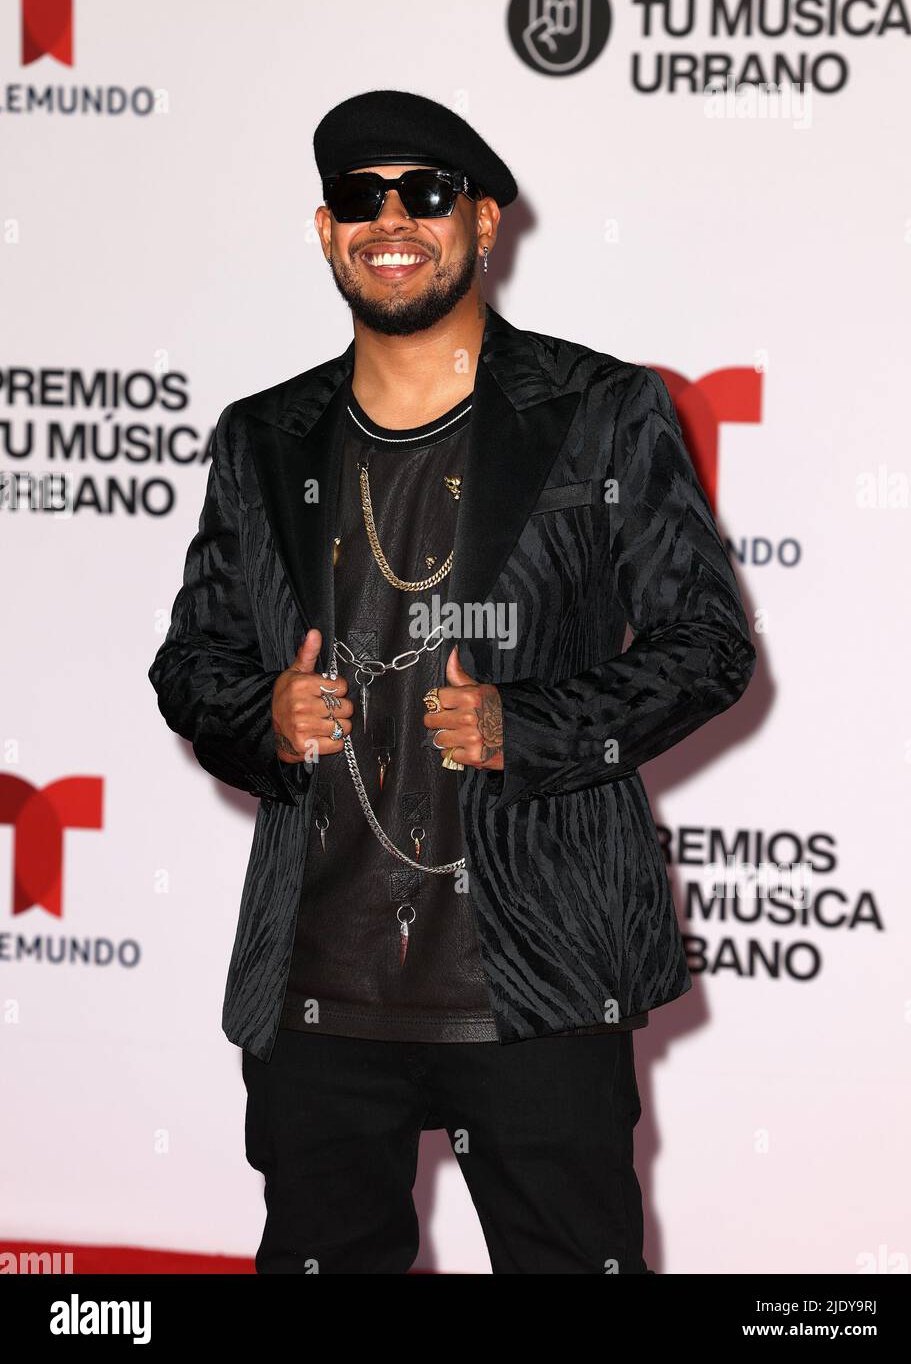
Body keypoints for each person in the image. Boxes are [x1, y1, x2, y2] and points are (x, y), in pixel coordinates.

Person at [148, 88, 756, 1274]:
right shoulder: (263, 437)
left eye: (426, 193)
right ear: (327, 233)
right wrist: (258, 715)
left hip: (536, 976)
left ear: (482, 222)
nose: (393, 220)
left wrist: (526, 727)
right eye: (360, 197)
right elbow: (193, 661)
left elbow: (707, 643)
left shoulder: (598, 409)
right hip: (320, 983)